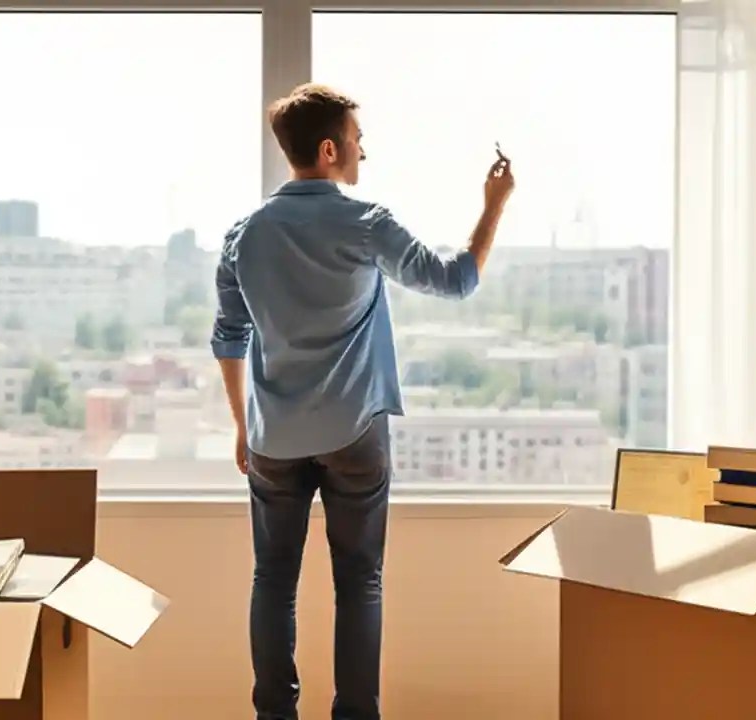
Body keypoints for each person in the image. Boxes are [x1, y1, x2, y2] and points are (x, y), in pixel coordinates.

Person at [210, 83, 514, 720]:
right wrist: (493, 205)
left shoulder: (244, 235)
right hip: (354, 436)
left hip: (272, 439)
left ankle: (274, 715)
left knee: (272, 582)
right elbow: (456, 279)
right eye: (356, 140)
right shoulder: (365, 222)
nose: (362, 153)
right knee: (360, 583)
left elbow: (228, 337)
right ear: (328, 150)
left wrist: (243, 425)